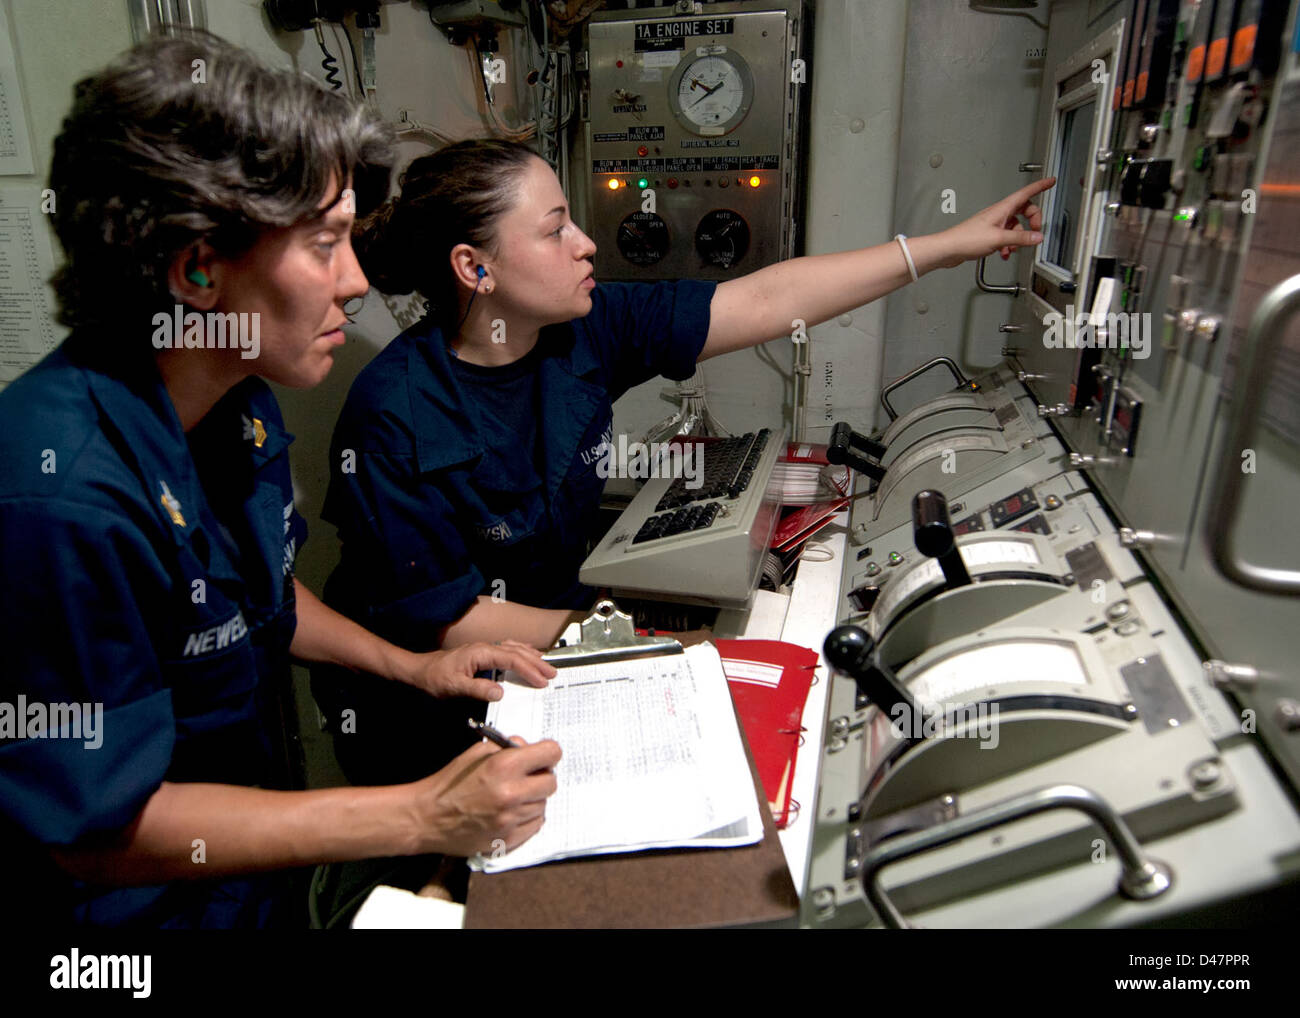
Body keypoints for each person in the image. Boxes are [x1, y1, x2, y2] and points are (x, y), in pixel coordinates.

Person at [0, 34, 560, 929]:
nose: (356, 282)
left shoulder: (232, 401)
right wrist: (423, 814)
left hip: (247, 897)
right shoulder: (58, 501)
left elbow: (259, 599)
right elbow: (99, 830)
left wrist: (415, 667)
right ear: (197, 268)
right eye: (325, 243)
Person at [315, 138, 1054, 784]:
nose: (586, 244)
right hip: (433, 716)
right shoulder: (394, 413)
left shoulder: (584, 329)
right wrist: (641, 637)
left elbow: (770, 296)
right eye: (555, 230)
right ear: (475, 268)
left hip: (555, 648)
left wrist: (949, 246)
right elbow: (445, 621)